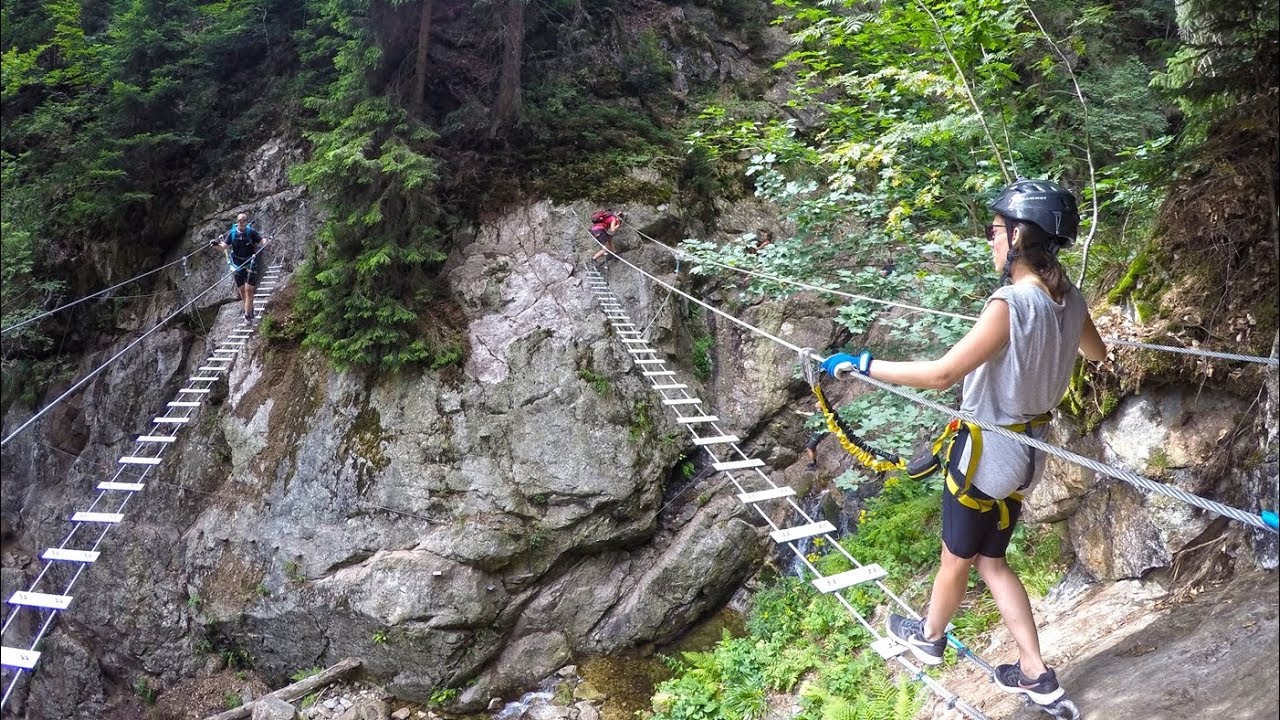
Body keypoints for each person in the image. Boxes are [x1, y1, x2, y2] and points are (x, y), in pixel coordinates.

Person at [820, 179, 1106, 706]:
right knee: (991, 561)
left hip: (986, 454)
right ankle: (1034, 671)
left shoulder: (1011, 302)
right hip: (1030, 456)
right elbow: (1095, 353)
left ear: (1019, 236)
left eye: (997, 231)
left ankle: (928, 641)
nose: (992, 241)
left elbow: (941, 375)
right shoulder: (1069, 299)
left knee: (957, 558)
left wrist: (862, 365)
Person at [214, 214, 269, 323]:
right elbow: (223, 247)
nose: (241, 222)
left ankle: (247, 316)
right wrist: (215, 245)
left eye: (244, 220)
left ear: (246, 222)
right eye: (240, 221)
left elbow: (261, 240)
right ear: (237, 222)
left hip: (250, 264)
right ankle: (250, 309)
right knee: (242, 291)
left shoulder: (251, 232)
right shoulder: (232, 233)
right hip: (236, 266)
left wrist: (266, 242)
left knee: (249, 290)